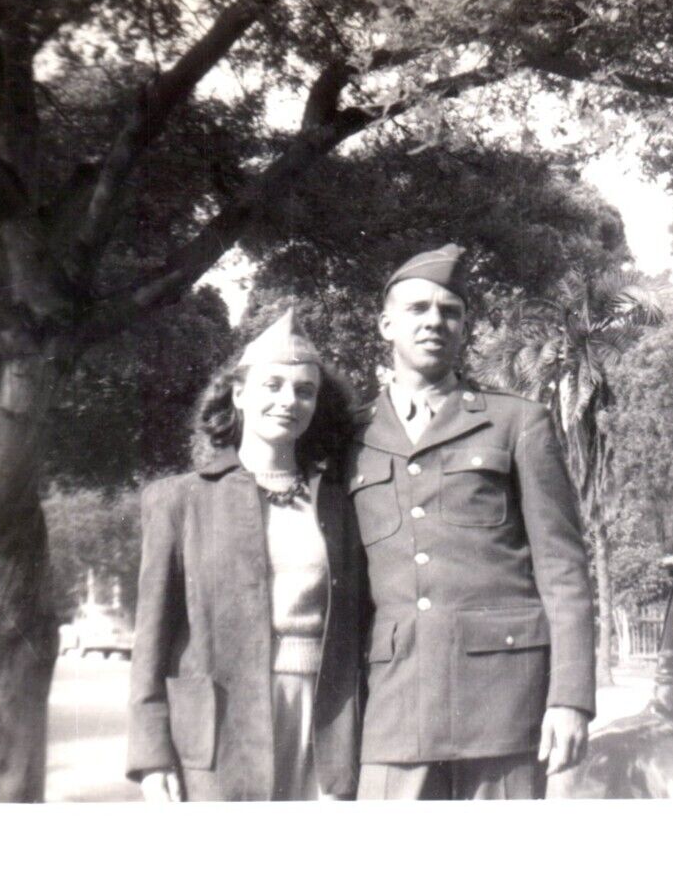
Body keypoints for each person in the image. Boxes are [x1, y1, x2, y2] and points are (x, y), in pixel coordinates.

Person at [346, 244, 595, 799]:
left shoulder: (517, 422)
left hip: (503, 706)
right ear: (386, 324)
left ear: (464, 328)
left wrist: (570, 697)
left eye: (450, 311)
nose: (434, 320)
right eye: (417, 309)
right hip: (393, 706)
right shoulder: (350, 436)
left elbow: (563, 570)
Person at [126, 310, 366, 801]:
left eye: (304, 390)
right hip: (219, 733)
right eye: (272, 385)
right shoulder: (178, 501)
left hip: (326, 720)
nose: (288, 400)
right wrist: (152, 758)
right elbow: (151, 639)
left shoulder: (343, 503)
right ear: (239, 393)